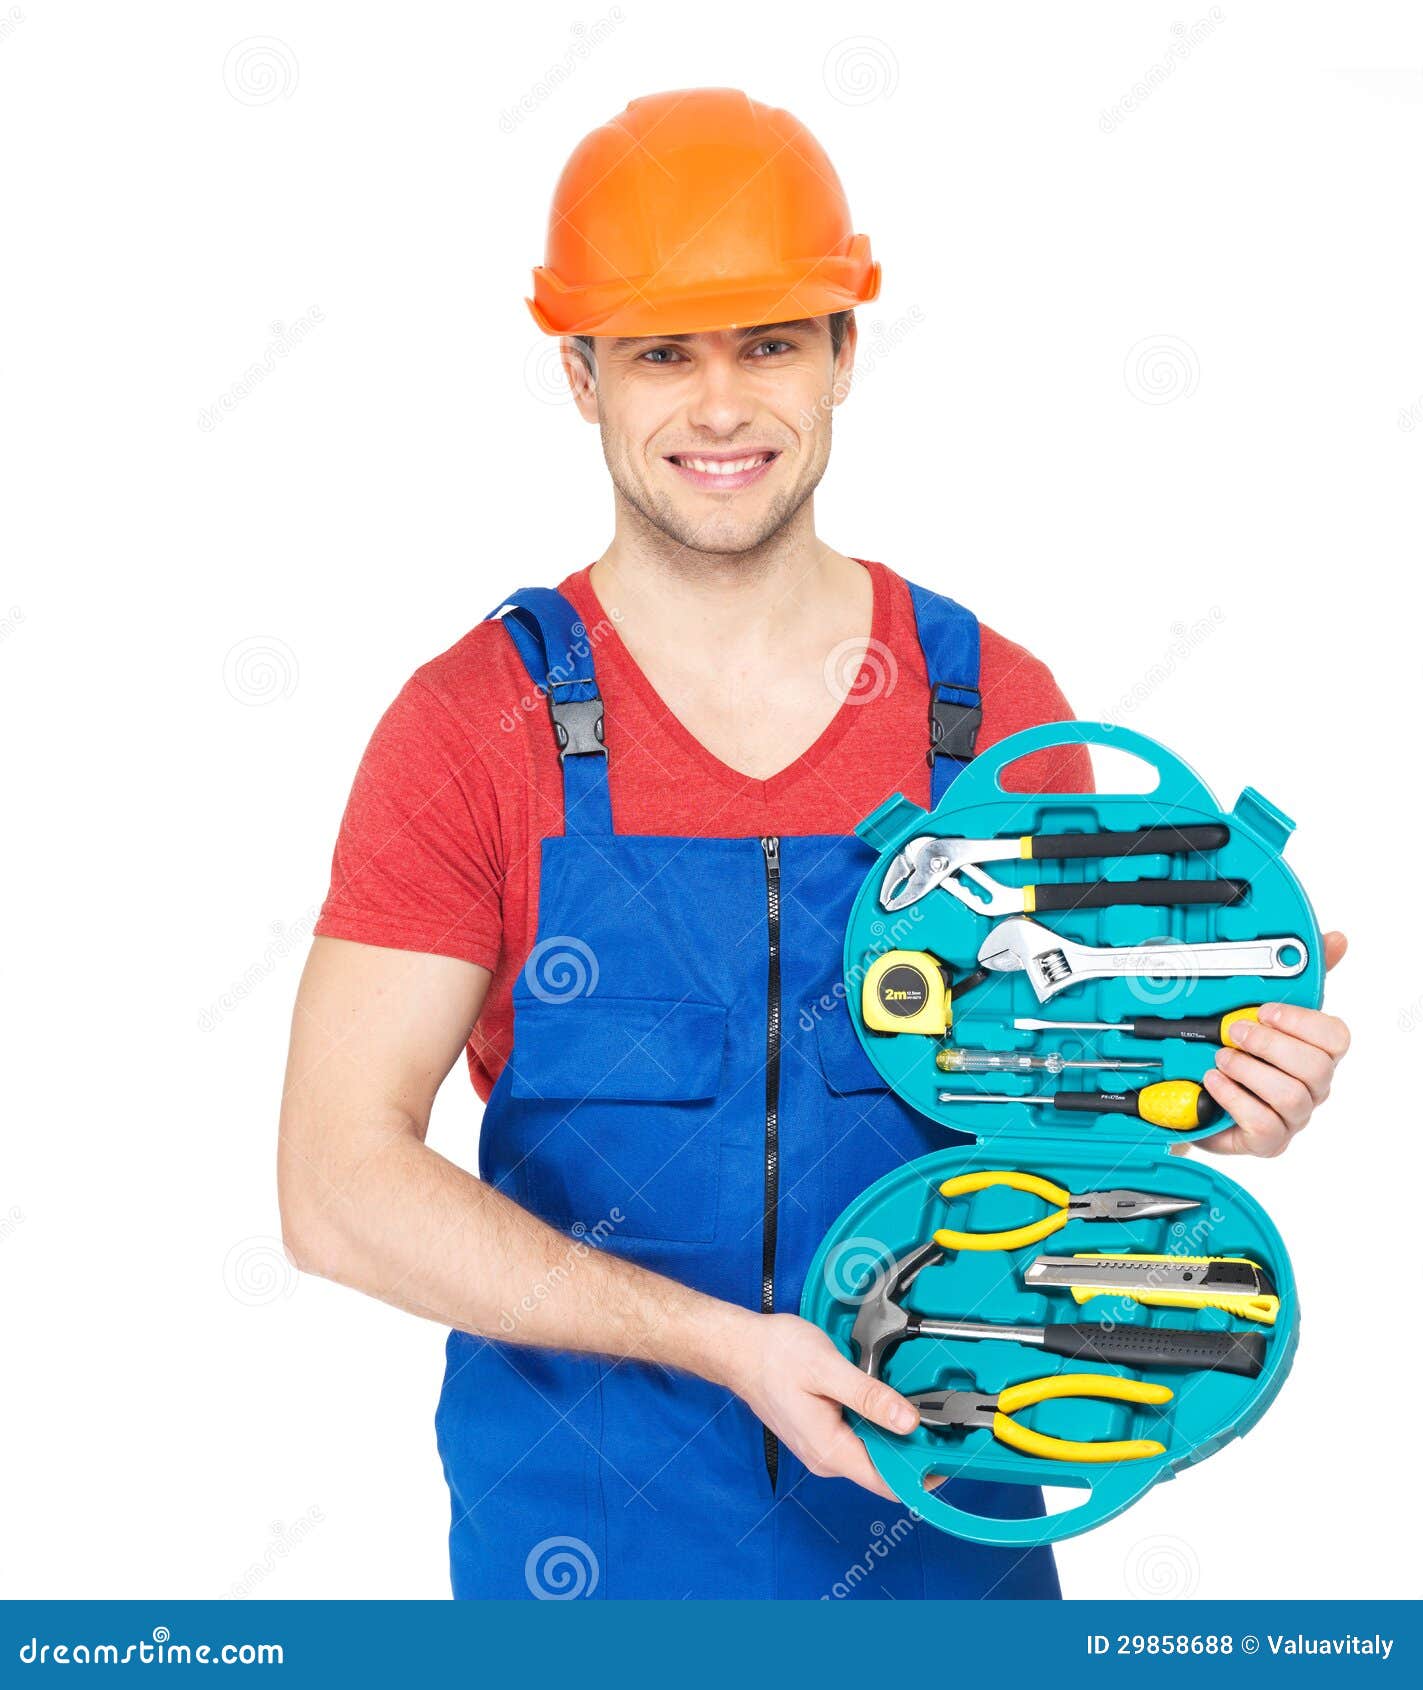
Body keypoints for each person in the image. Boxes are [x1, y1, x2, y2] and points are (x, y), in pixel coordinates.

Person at [277, 88, 1350, 1600]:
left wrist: (1216, 1095)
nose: (721, 408)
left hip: (950, 1554)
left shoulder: (991, 723)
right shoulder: (477, 726)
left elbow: (1066, 1116)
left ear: (847, 350)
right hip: (582, 1569)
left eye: (770, 341)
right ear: (580, 377)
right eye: (663, 352)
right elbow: (334, 1183)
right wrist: (719, 1344)